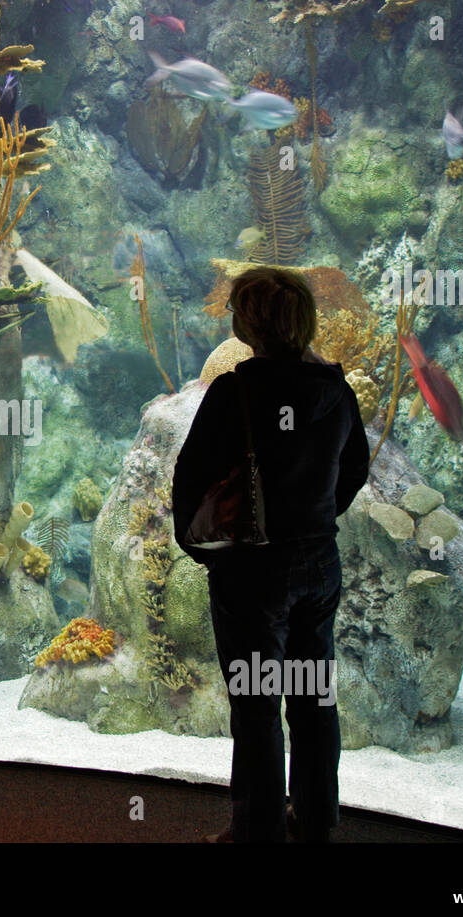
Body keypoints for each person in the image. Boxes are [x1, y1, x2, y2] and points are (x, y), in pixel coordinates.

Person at [171, 266, 369, 843]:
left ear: (249, 324)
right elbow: (354, 468)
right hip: (317, 563)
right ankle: (314, 821)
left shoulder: (235, 392)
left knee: (257, 705)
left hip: (252, 572)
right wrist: (316, 519)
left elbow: (192, 480)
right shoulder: (336, 389)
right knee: (312, 697)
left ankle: (257, 831)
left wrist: (206, 552)